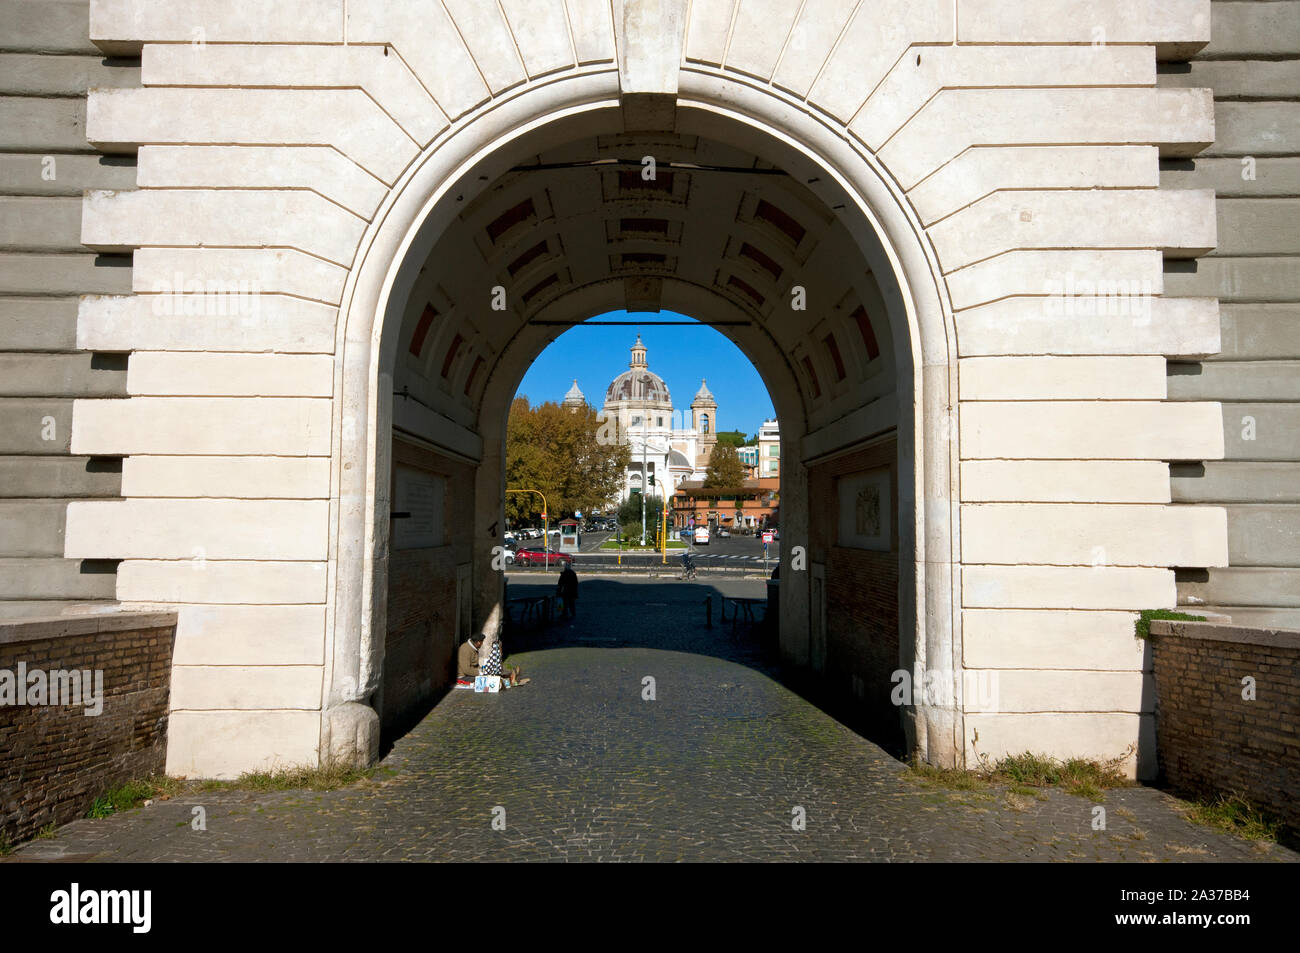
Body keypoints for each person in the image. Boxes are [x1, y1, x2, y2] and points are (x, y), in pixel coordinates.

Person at [457, 633, 524, 686]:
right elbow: (466, 669)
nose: (482, 644)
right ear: (478, 642)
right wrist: (481, 673)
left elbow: (475, 665)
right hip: (464, 677)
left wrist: (482, 670)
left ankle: (509, 676)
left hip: (471, 674)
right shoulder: (465, 649)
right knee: (489, 679)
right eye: (482, 642)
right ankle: (509, 678)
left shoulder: (473, 648)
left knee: (492, 674)